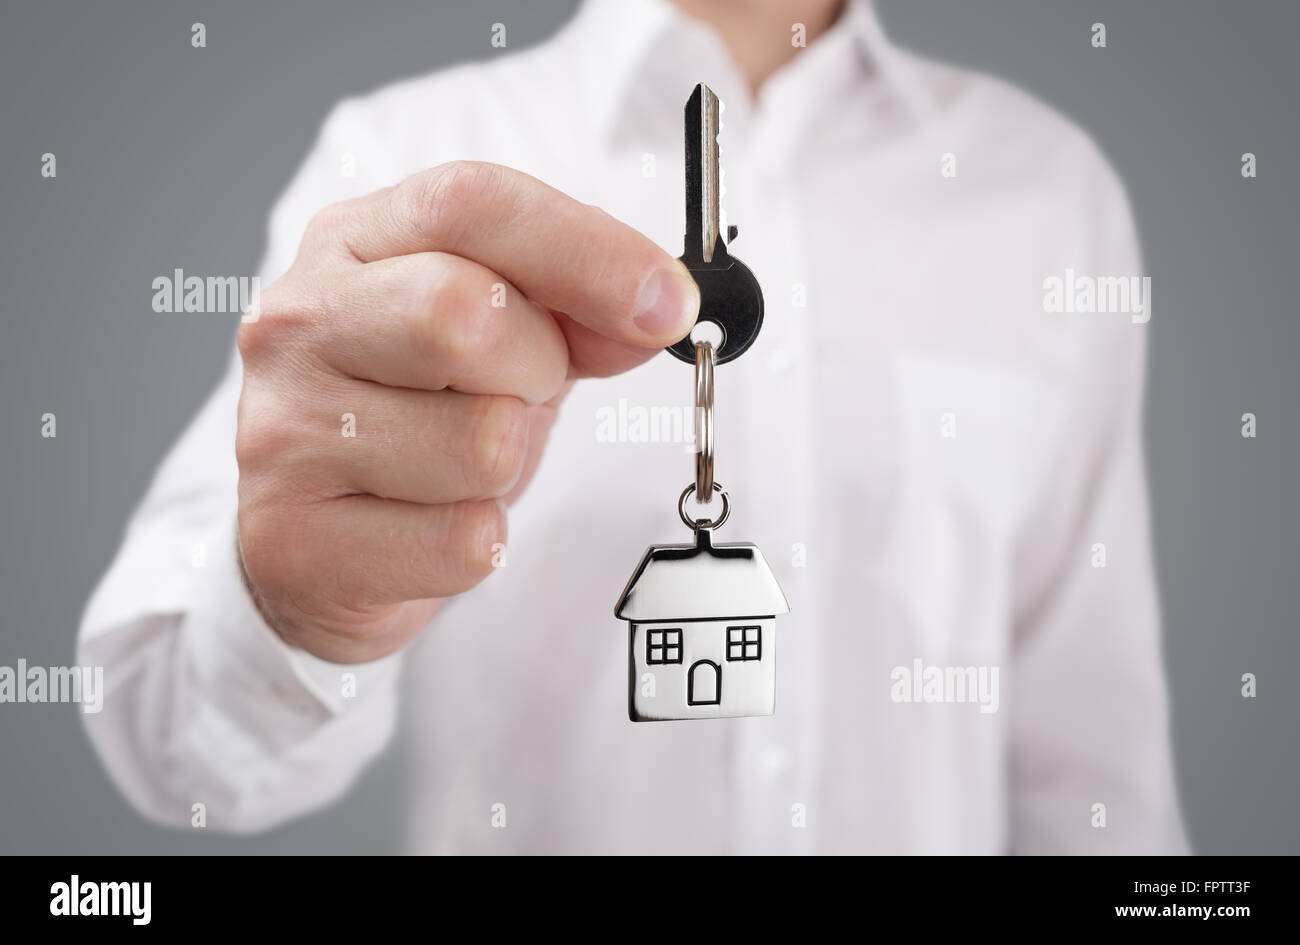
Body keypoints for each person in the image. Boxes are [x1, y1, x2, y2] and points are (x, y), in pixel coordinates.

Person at [78, 0, 1188, 853]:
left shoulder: (1049, 193)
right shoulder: (399, 164)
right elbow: (178, 751)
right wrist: (299, 610)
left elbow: (1096, 775)